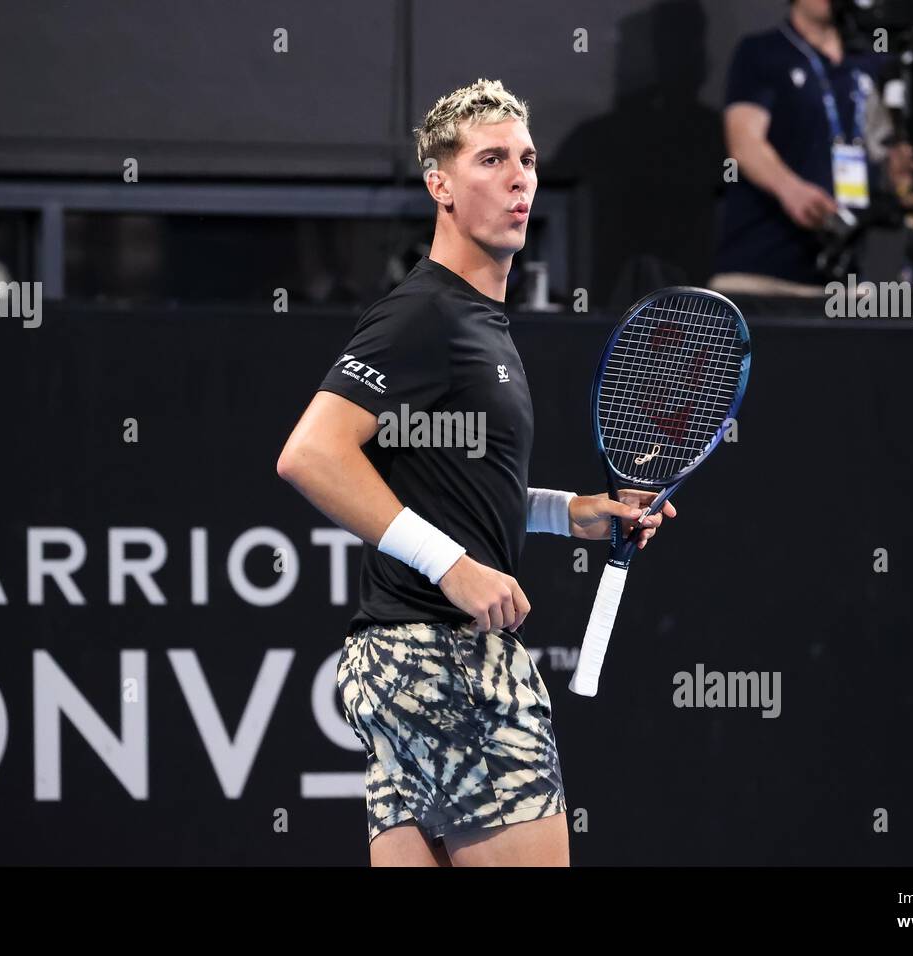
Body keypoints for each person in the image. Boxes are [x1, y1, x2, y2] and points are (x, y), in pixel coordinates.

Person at [276, 78, 676, 867]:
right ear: (441, 184)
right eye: (491, 159)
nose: (519, 177)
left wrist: (573, 513)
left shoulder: (475, 323)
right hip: (444, 656)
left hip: (396, 663)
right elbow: (310, 454)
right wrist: (454, 568)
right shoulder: (428, 314)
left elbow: (452, 487)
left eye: (526, 159)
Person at [711, 0, 910, 294]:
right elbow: (744, 142)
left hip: (842, 280)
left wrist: (904, 171)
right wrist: (791, 190)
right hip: (763, 275)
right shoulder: (764, 52)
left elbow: (889, 151)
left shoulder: (870, 63)